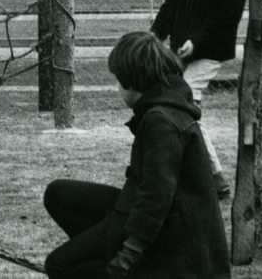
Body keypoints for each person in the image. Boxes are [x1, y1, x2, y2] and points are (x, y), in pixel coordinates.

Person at [42, 31, 230, 279]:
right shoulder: (167, 108)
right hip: (161, 225)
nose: (117, 87)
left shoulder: (161, 122)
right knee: (60, 194)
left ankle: (135, 269)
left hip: (180, 252)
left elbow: (156, 198)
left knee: (58, 264)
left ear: (133, 80)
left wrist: (127, 256)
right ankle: (107, 256)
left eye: (118, 81)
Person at [148, 0, 246, 199]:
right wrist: (154, 34)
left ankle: (215, 179)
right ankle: (199, 176)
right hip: (181, 47)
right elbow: (174, 0)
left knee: (184, 105)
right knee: (173, 108)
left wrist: (196, 42)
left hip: (209, 51)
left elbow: (226, 17)